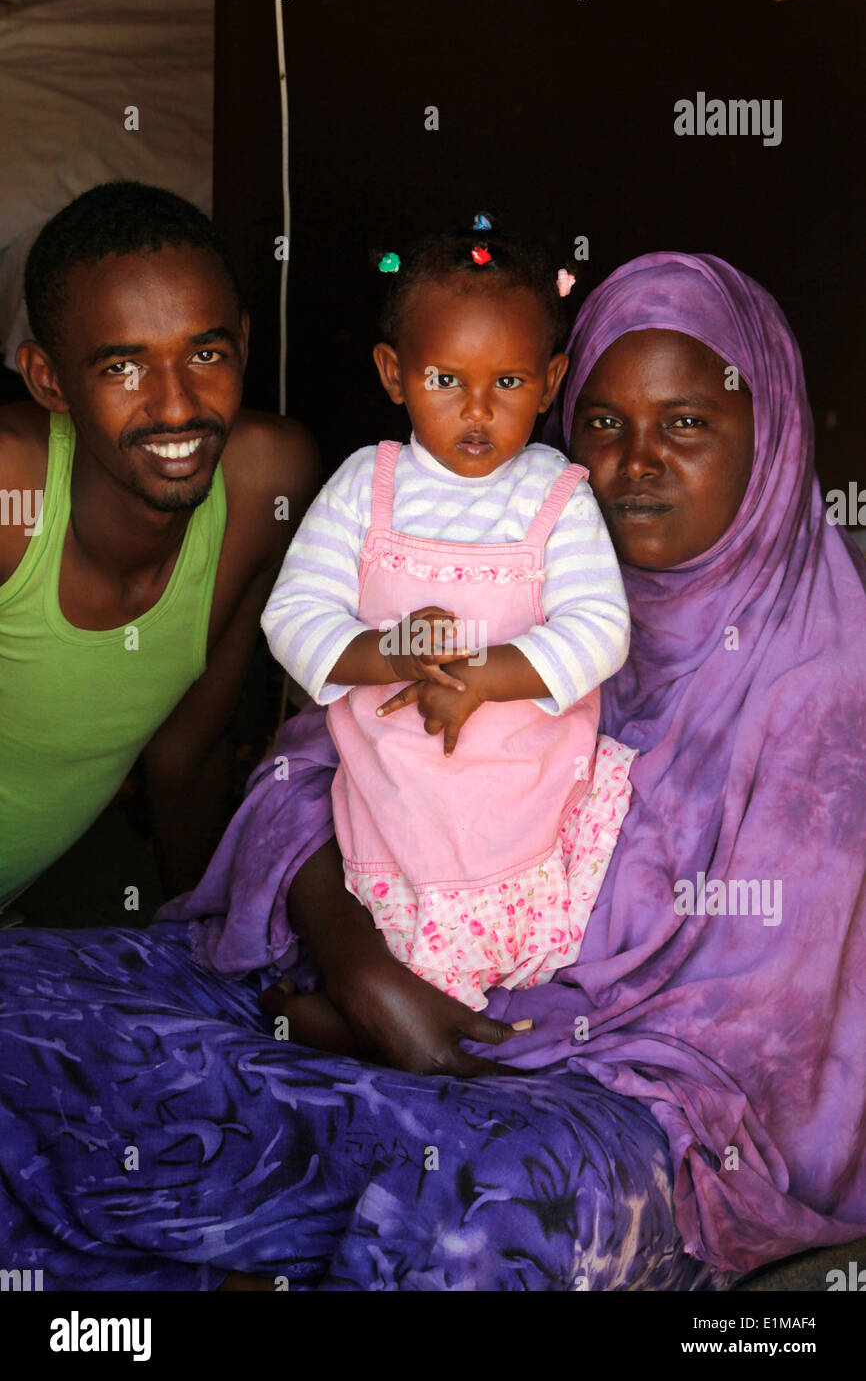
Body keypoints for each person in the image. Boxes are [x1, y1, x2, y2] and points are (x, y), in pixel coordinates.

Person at [0, 253, 863, 1292]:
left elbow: (762, 1040)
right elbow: (303, 767)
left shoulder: (820, 682)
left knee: (494, 1205)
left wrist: (505, 1044)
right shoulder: (499, 554)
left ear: (770, 435)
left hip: (595, 1097)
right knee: (20, 1003)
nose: (635, 461)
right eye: (602, 423)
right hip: (360, 970)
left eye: (685, 423)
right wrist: (365, 971)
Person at [261, 226, 633, 1020]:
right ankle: (368, 1020)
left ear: (551, 381)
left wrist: (481, 678)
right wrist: (389, 651)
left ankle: (363, 1025)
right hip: (398, 800)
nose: (477, 409)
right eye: (445, 380)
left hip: (525, 796)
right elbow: (291, 616)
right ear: (393, 374)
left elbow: (602, 627)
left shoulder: (556, 495)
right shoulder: (366, 486)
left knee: (544, 956)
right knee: (412, 961)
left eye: (508, 381)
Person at [0, 182, 318, 910]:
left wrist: (197, 933)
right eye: (122, 367)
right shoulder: (11, 494)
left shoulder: (265, 480)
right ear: (49, 380)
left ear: (243, 343)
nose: (176, 405)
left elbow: (187, 754)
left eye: (205, 354)